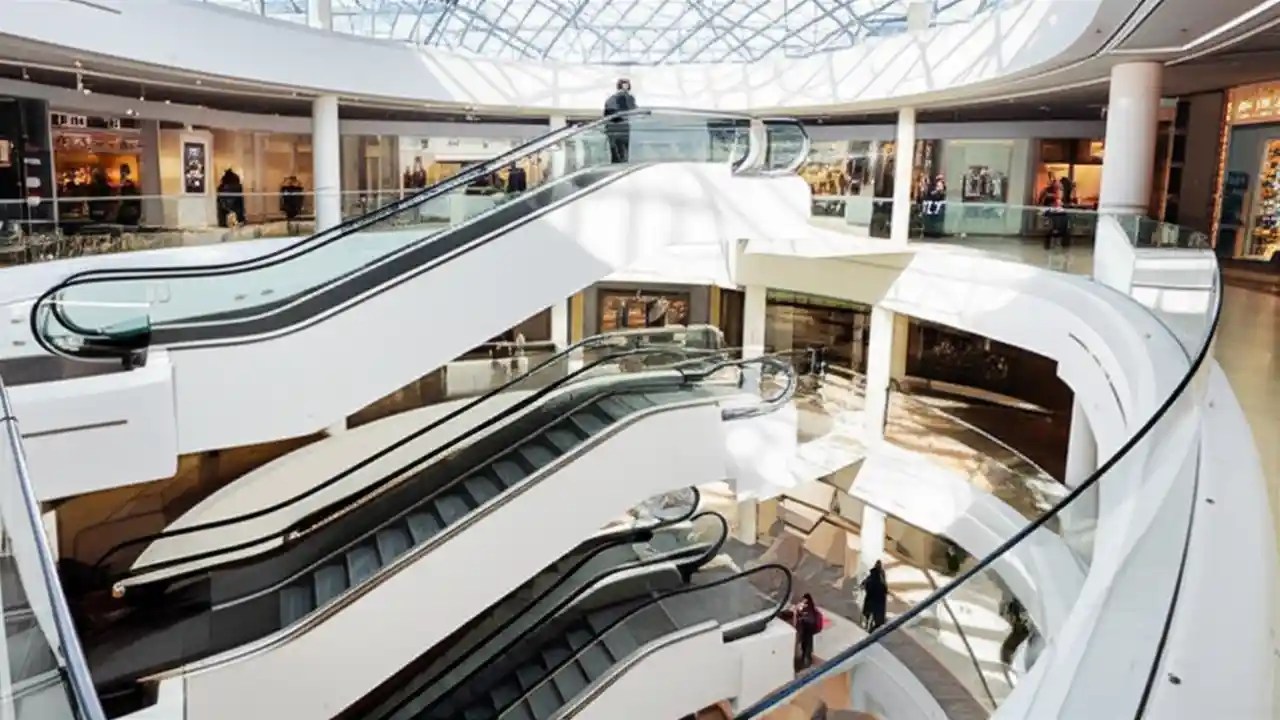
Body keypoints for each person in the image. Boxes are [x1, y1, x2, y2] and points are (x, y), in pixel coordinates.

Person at [603, 78, 637, 164]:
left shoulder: (630, 98)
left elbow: (633, 110)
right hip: (617, 128)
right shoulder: (613, 99)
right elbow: (610, 114)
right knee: (618, 152)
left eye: (627, 85)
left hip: (624, 128)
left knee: (624, 151)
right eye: (623, 85)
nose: (625, 88)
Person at [793, 593, 821, 670]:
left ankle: (806, 661)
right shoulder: (811, 607)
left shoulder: (805, 607)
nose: (803, 601)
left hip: (807, 629)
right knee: (808, 645)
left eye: (804, 599)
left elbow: (800, 613)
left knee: (805, 645)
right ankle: (807, 658)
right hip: (810, 630)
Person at [860, 560, 888, 631]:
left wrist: (864, 585)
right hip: (877, 599)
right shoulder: (880, 575)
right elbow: (884, 587)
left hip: (872, 597)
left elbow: (865, 583)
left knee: (869, 614)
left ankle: (868, 625)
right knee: (874, 615)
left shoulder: (874, 574)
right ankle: (870, 626)